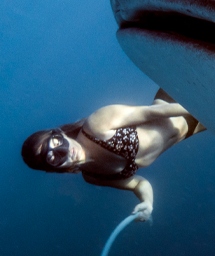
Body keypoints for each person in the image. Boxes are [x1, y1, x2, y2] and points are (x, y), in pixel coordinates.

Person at [21, 89, 204, 223]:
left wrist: (198, 107)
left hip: (179, 99)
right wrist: (148, 203)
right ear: (54, 169)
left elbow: (151, 112)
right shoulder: (93, 176)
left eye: (55, 143)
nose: (65, 151)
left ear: (59, 133)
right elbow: (139, 184)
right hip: (190, 129)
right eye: (53, 158)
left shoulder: (96, 126)